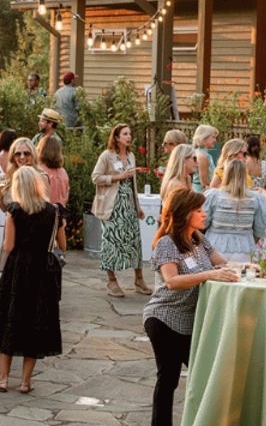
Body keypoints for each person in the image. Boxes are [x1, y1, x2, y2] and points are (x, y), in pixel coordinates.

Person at [142, 188, 239, 426]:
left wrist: (253, 267)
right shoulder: (167, 243)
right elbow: (172, 281)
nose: (204, 214)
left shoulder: (198, 239)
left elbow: (224, 264)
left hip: (189, 322)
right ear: (185, 214)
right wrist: (209, 275)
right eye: (198, 210)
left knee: (205, 375)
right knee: (169, 379)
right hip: (163, 319)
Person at [0, 166, 64, 394]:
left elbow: (8, 246)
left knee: (9, 318)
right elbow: (63, 245)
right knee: (35, 321)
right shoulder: (53, 211)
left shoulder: (14, 211)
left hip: (18, 269)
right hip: (42, 272)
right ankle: (25, 382)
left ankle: (2, 378)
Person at [92, 124, 148, 298]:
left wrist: (137, 206)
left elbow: (133, 183)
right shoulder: (107, 156)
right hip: (113, 206)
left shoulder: (131, 156)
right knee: (111, 242)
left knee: (134, 241)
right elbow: (96, 177)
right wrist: (118, 177)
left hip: (129, 205)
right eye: (125, 134)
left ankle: (139, 280)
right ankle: (111, 281)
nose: (128, 137)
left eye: (130, 134)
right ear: (116, 137)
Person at [202, 160, 266, 263]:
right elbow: (260, 229)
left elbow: (203, 223)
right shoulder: (256, 198)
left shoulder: (213, 196)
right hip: (243, 249)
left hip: (214, 246)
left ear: (226, 174)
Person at [37, 137, 69, 208]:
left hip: (44, 214)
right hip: (61, 215)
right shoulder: (63, 172)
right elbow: (66, 197)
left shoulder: (38, 170)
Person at [190, 125, 217, 193]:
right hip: (201, 194)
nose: (215, 140)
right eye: (213, 137)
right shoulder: (202, 156)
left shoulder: (202, 153)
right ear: (204, 138)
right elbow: (205, 183)